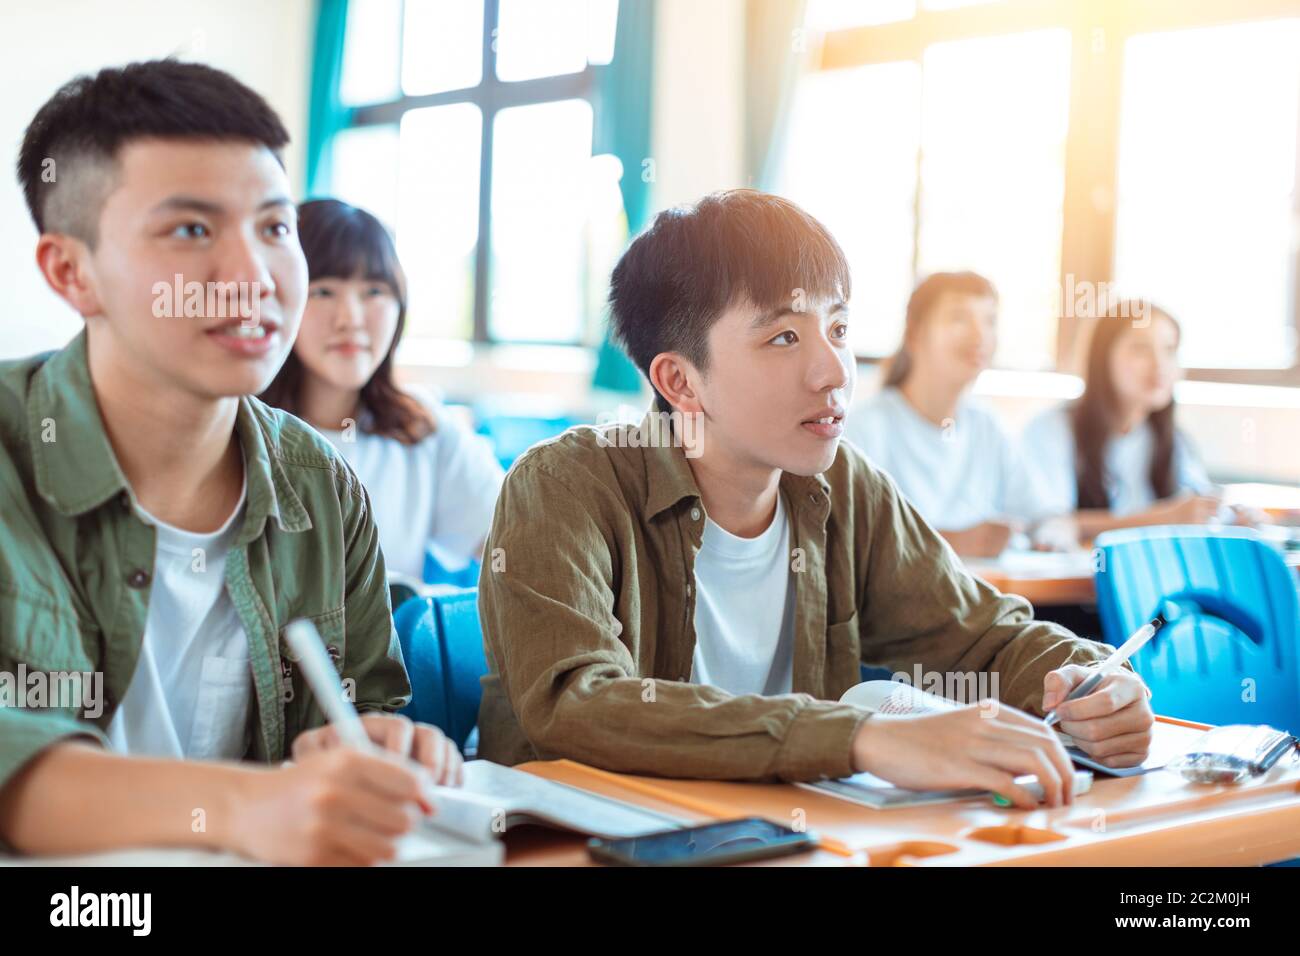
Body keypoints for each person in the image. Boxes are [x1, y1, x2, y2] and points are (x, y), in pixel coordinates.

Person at [476, 189, 1154, 807]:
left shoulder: (842, 486)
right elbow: (579, 704)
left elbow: (985, 639)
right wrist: (858, 736)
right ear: (681, 382)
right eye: (784, 337)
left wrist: (1089, 680)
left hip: (796, 841)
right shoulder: (561, 487)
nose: (833, 372)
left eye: (838, 329)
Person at [0, 60, 461, 866]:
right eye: (190, 230)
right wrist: (249, 807)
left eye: (275, 228)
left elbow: (352, 709)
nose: (253, 278)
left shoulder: (320, 482)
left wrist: (367, 751)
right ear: (72, 272)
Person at [259, 199, 503, 580]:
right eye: (323, 291)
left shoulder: (420, 428)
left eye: (373, 292)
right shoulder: (236, 427)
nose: (350, 319)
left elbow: (513, 542)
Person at [845, 272, 1070, 557]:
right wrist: (951, 542)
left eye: (990, 321)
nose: (980, 335)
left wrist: (1051, 535)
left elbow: (1046, 514)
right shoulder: (866, 428)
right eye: (959, 318)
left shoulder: (987, 426)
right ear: (914, 334)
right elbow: (850, 538)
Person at [1022, 301, 1224, 540]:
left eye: (1169, 350)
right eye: (1141, 349)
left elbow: (1199, 504)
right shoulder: (1052, 430)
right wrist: (1164, 518)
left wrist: (1228, 516)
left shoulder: (1172, 439)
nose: (1159, 365)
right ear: (1102, 357)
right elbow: (1052, 524)